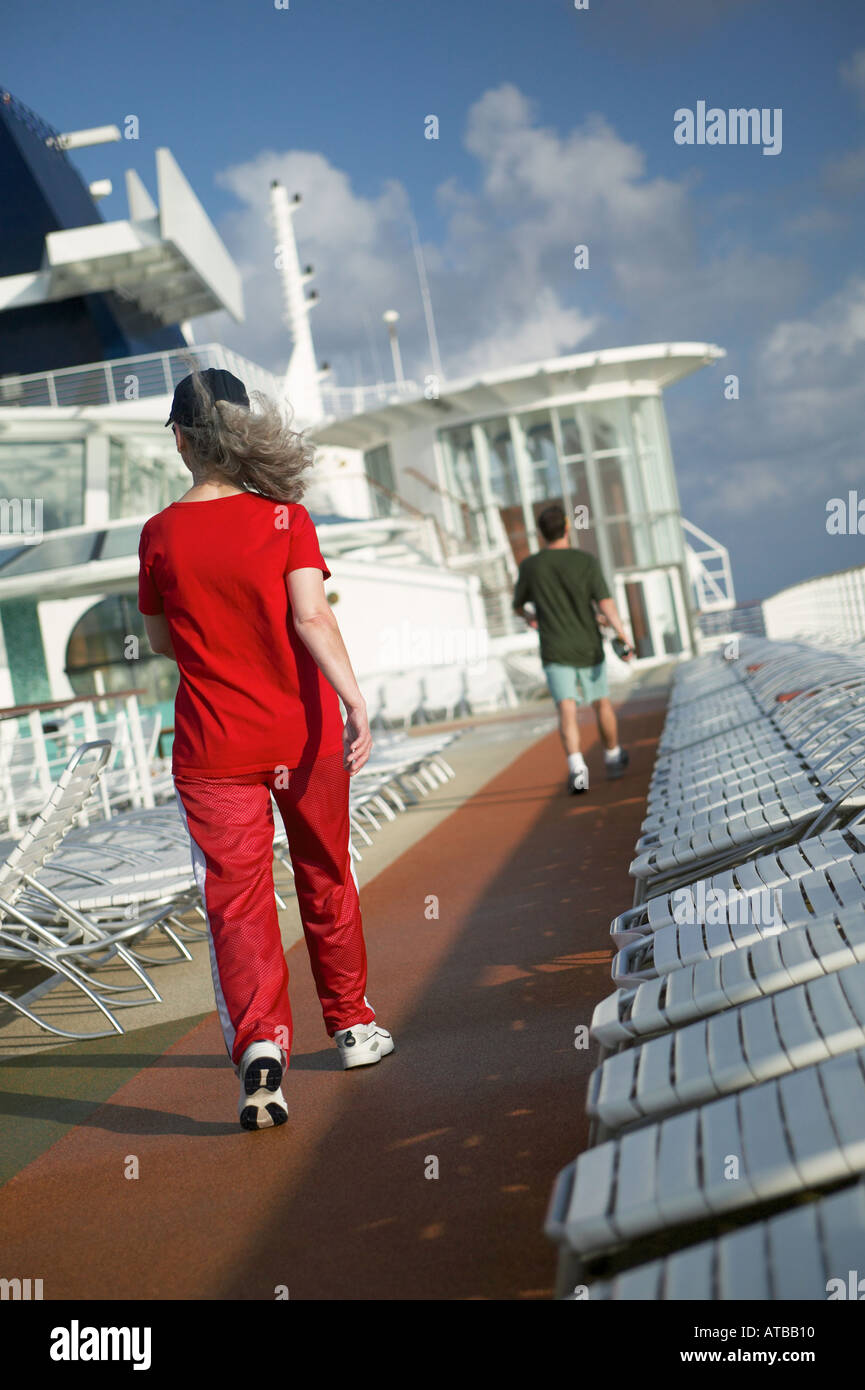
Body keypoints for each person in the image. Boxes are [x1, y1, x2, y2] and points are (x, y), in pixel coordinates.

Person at [137, 367, 393, 1132]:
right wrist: (353, 699)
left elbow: (160, 642)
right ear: (245, 434)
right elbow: (312, 618)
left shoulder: (158, 535)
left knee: (237, 901)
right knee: (325, 872)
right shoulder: (287, 518)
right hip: (303, 731)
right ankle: (350, 1026)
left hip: (213, 747)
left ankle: (261, 1050)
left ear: (180, 440)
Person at [512, 503, 634, 794]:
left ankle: (578, 771)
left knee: (566, 710)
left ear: (541, 534)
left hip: (555, 648)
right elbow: (606, 603)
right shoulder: (585, 562)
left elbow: (518, 605)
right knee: (601, 702)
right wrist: (623, 635)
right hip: (588, 646)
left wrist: (531, 618)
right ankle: (613, 757)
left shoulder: (531, 566)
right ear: (567, 528)